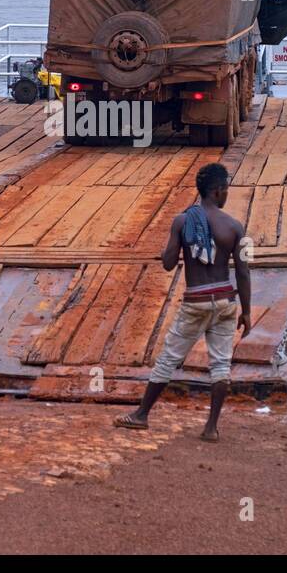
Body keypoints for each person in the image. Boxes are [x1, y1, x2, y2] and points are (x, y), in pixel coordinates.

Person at [115, 162, 251, 442]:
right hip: (226, 300)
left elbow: (167, 264)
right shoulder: (235, 227)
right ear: (216, 191)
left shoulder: (182, 221)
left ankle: (141, 415)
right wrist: (247, 311)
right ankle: (211, 428)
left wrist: (168, 248)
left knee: (168, 360)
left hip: (196, 300)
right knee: (221, 365)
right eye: (225, 189)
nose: (227, 194)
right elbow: (243, 271)